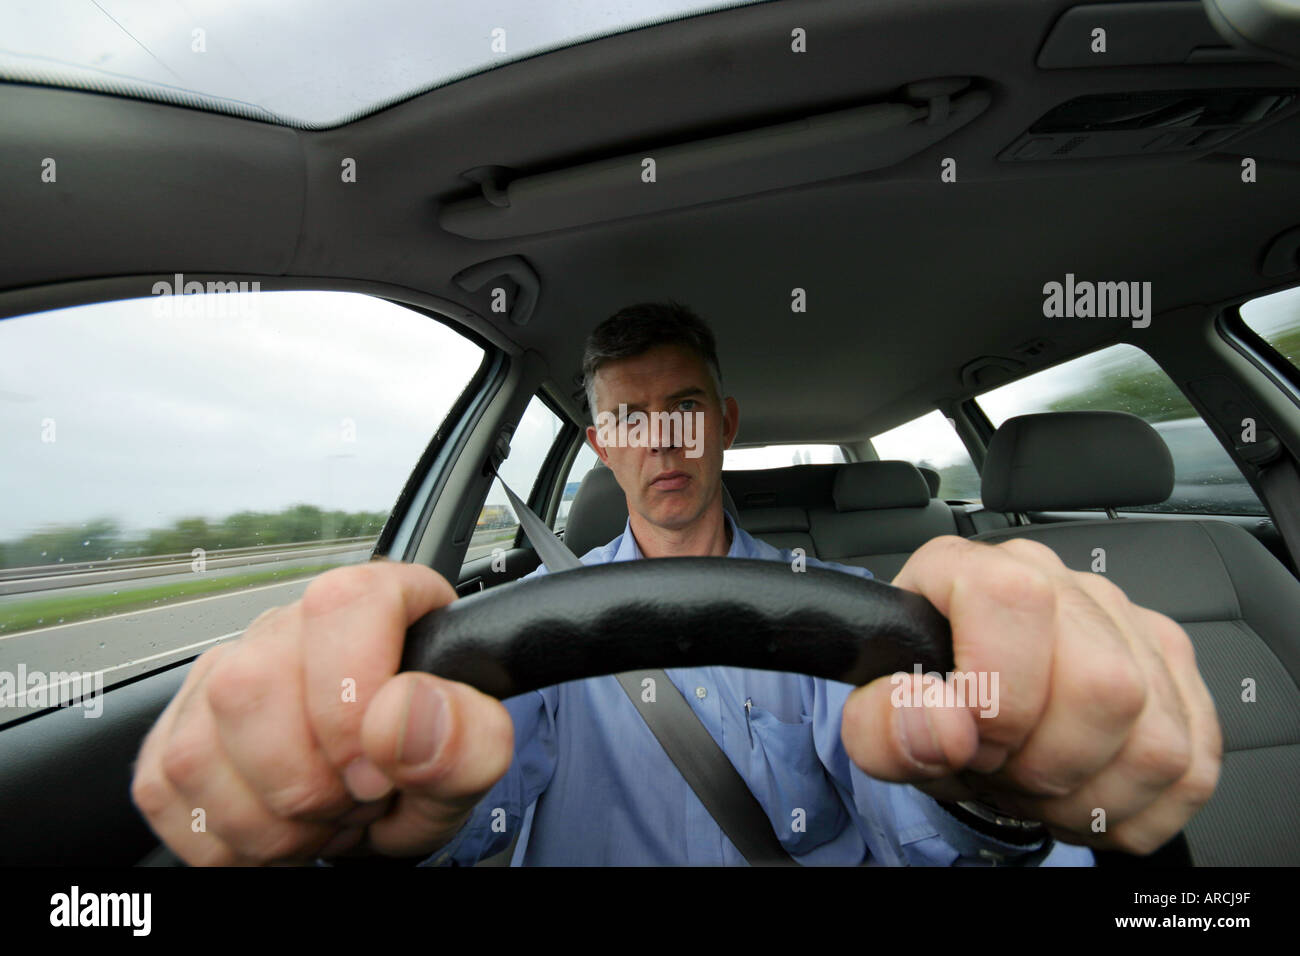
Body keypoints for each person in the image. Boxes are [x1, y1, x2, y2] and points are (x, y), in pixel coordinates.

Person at [130, 302, 1221, 866]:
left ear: (721, 424)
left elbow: (911, 822)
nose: (661, 441)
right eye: (630, 417)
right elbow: (481, 806)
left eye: (683, 407)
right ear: (602, 441)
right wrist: (372, 805)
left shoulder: (851, 611)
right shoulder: (515, 637)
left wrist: (983, 783)